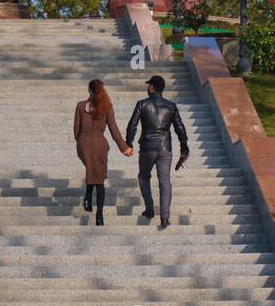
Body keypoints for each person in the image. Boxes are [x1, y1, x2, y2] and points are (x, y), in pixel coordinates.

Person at [125, 74, 190, 230]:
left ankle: (149, 208)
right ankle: (165, 217)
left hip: (147, 148)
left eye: (149, 85)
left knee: (143, 176)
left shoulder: (142, 104)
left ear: (153, 87)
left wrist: (129, 143)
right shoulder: (171, 106)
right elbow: (179, 127)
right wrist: (184, 146)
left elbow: (132, 125)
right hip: (164, 148)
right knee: (164, 181)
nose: (147, 87)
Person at [73, 79, 132, 226]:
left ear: (89, 90)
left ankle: (87, 197)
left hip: (83, 142)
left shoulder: (80, 106)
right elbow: (114, 129)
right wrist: (123, 147)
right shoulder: (107, 106)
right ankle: (99, 215)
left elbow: (76, 129)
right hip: (99, 143)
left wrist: (81, 142)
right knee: (98, 178)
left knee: (92, 171)